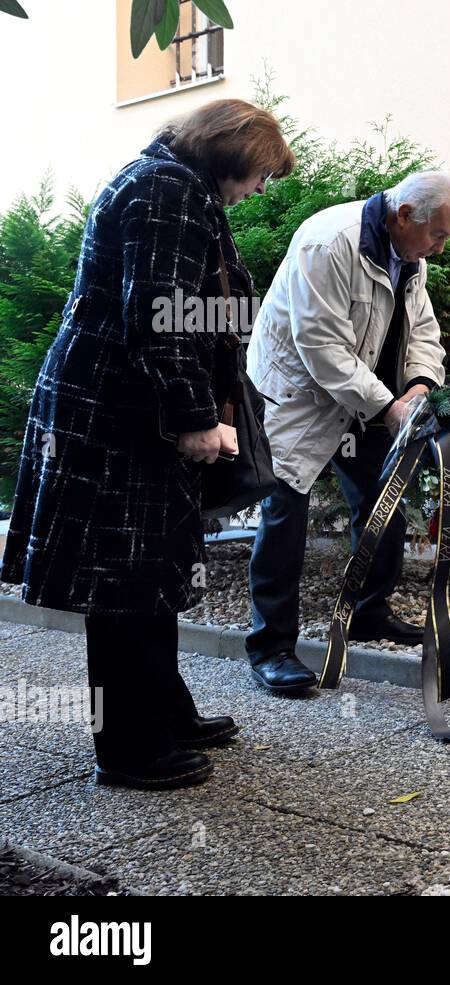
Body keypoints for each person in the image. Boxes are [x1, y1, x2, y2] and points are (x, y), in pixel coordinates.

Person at [1, 99, 295, 789]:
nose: (260, 189)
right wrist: (196, 416)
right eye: (260, 174)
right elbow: (159, 318)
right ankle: (129, 748)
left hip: (122, 409)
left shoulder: (173, 183)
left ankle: (163, 711)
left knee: (150, 573)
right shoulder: (166, 190)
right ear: (233, 152)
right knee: (124, 583)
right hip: (115, 417)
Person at [244, 171, 450, 691]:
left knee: (382, 492)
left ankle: (369, 610)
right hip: (300, 393)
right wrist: (388, 405)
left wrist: (420, 384)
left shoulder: (411, 257)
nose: (440, 247)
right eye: (438, 234)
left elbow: (423, 330)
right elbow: (321, 347)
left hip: (369, 392)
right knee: (285, 505)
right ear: (404, 214)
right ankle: (270, 648)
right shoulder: (326, 242)